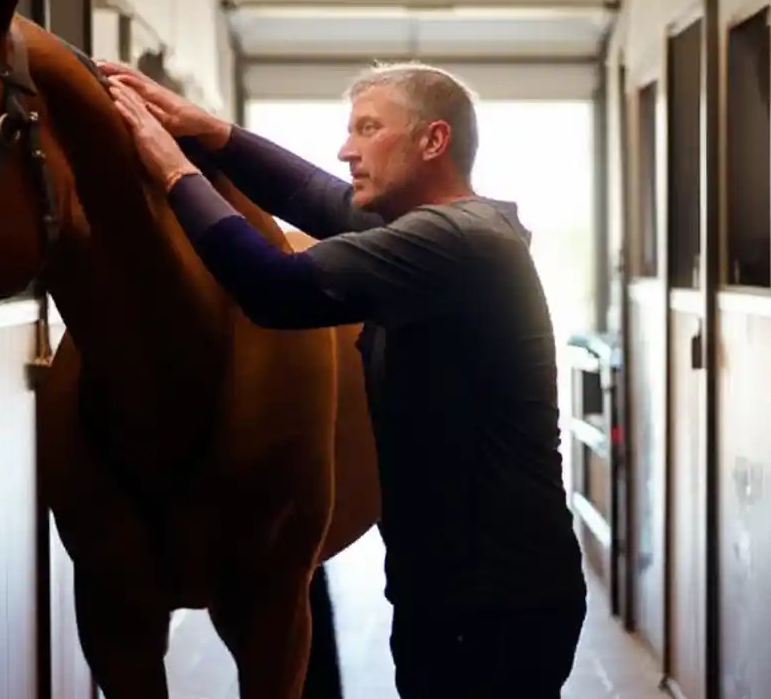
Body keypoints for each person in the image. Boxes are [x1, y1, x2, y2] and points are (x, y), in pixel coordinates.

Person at [98, 59, 587, 698]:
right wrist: (211, 131)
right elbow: (314, 195)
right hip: (456, 593)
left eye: (367, 129)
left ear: (433, 140)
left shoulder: (459, 242)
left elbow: (272, 288)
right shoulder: (441, 231)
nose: (346, 149)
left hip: (496, 604)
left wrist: (173, 169)